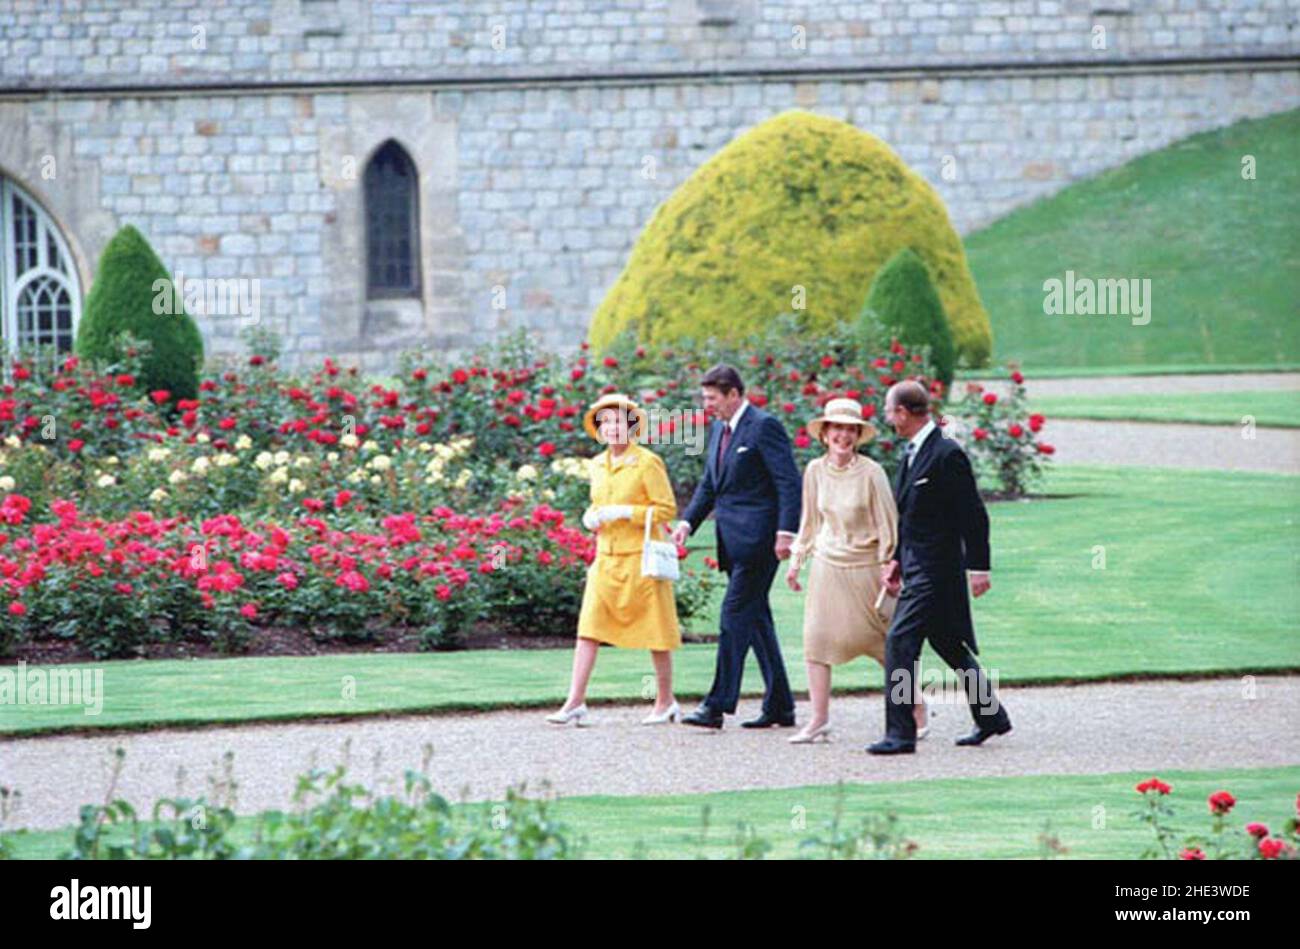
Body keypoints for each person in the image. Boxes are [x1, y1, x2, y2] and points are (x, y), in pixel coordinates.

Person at [867, 380, 1012, 755]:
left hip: (935, 572)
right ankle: (991, 716)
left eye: (888, 410)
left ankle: (900, 734)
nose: (886, 417)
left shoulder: (947, 455)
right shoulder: (911, 454)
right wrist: (897, 559)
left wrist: (978, 567)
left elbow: (974, 516)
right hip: (915, 565)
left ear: (903, 413)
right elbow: (910, 518)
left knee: (899, 643)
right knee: (948, 644)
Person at [784, 398, 931, 744]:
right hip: (826, 566)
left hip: (866, 569)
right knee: (815, 641)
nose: (843, 436)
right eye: (837, 428)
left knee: (886, 647)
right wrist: (796, 560)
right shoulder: (815, 471)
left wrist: (888, 565)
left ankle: (917, 708)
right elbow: (809, 523)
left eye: (850, 430)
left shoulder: (871, 473)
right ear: (825, 433)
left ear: (857, 435)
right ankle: (818, 718)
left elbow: (887, 524)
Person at [670, 364, 801, 730]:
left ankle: (716, 706)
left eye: (712, 398)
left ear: (734, 394)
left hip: (760, 543)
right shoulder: (719, 429)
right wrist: (687, 523)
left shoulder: (764, 426)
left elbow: (789, 483)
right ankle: (780, 706)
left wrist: (786, 532)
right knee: (757, 621)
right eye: (705, 397)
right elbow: (710, 485)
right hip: (732, 542)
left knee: (733, 618)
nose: (707, 404)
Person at [547, 393, 682, 726]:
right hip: (606, 559)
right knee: (588, 629)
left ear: (632, 425)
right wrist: (590, 516)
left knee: (656, 633)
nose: (612, 427)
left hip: (641, 560)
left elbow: (666, 509)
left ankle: (664, 702)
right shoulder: (596, 464)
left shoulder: (647, 462)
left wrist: (625, 512)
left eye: (618, 421)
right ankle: (575, 701)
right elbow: (599, 502)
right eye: (605, 421)